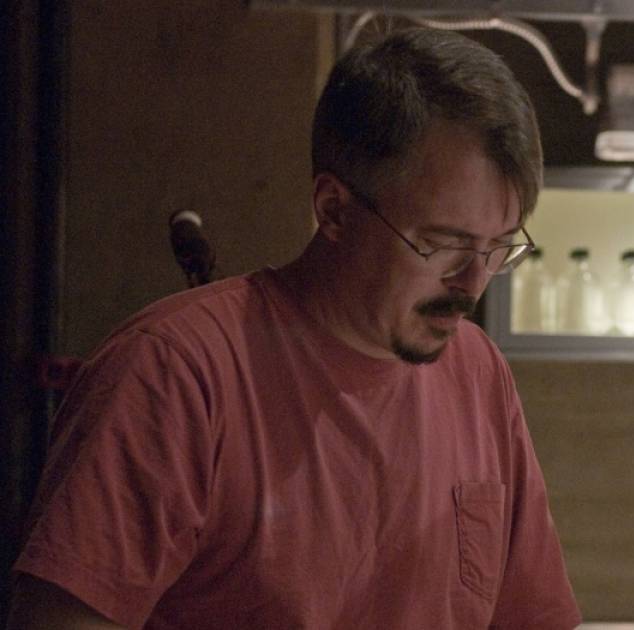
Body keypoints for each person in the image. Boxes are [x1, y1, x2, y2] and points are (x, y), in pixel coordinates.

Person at [7, 28, 581, 629]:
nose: (472, 282)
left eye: (499, 248)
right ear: (333, 210)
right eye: (442, 243)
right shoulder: (176, 372)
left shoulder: (478, 372)